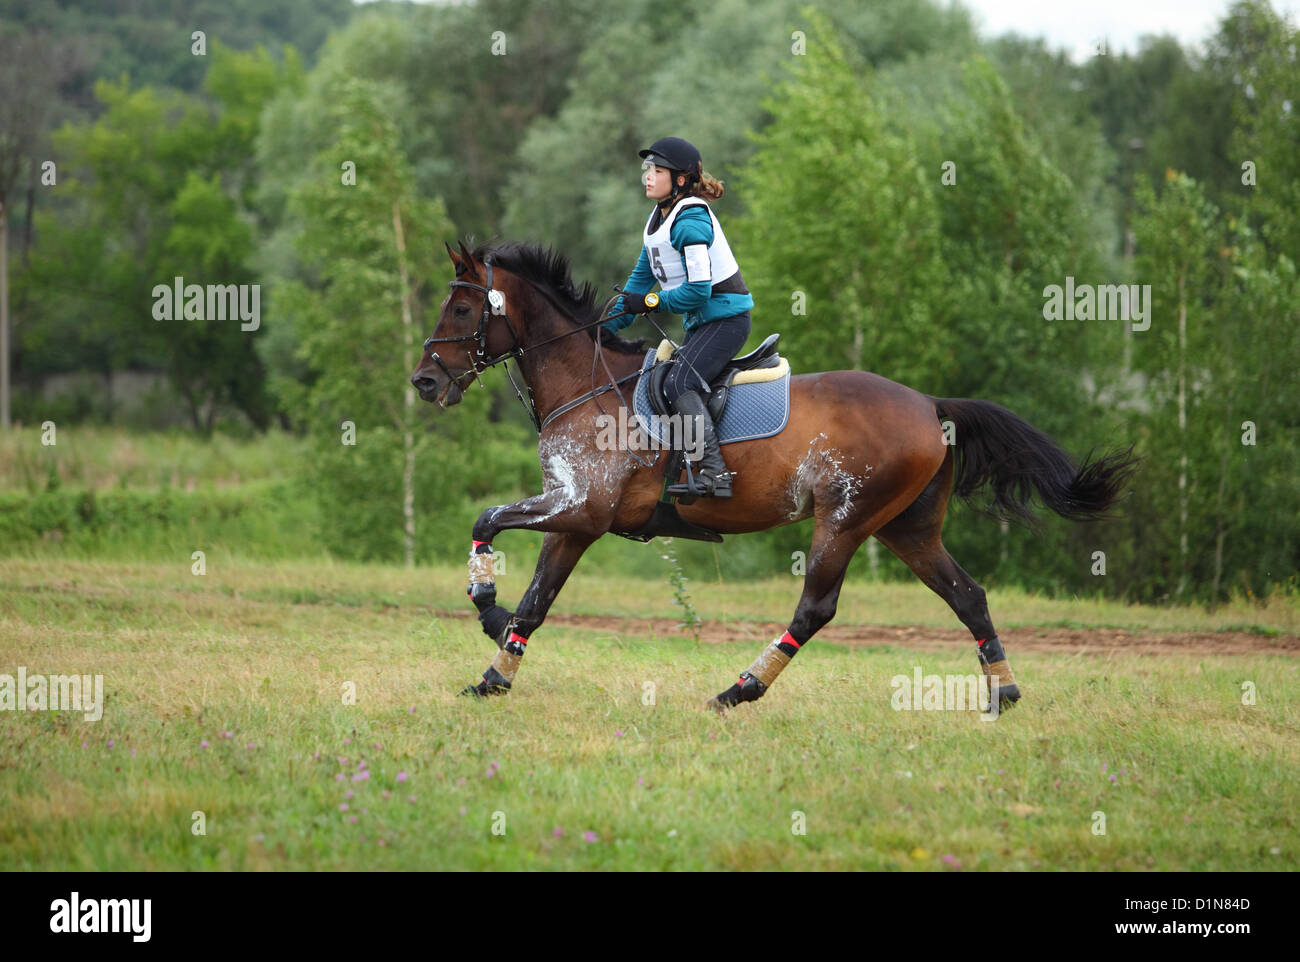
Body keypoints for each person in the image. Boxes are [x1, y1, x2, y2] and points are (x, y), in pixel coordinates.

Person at [602, 137, 754, 498]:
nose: (648, 177)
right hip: (704, 325)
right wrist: (599, 330)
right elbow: (636, 286)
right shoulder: (658, 221)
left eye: (657, 171)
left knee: (678, 384)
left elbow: (698, 292)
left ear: (681, 180)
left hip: (727, 321)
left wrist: (650, 302)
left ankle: (716, 473)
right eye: (647, 170)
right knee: (662, 377)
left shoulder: (691, 221)